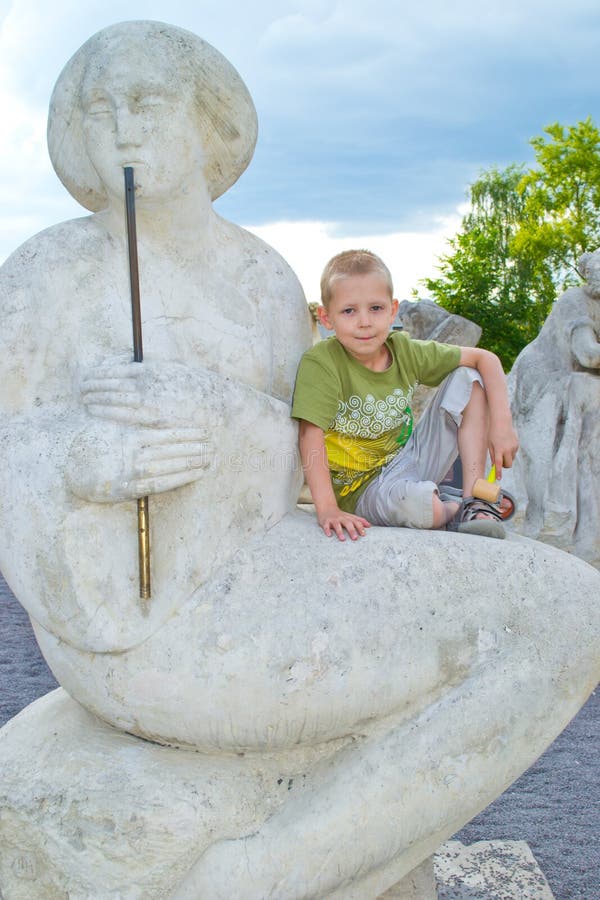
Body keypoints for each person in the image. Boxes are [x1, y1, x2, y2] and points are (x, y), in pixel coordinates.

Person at [292, 249, 519, 541]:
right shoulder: (322, 363)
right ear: (326, 317)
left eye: (375, 308)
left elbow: (485, 359)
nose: (364, 321)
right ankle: (451, 507)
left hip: (411, 457)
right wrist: (327, 509)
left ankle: (476, 495)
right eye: (349, 311)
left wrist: (502, 426)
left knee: (468, 378)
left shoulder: (404, 350)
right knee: (422, 509)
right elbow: (309, 435)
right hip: (364, 490)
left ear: (392, 309)